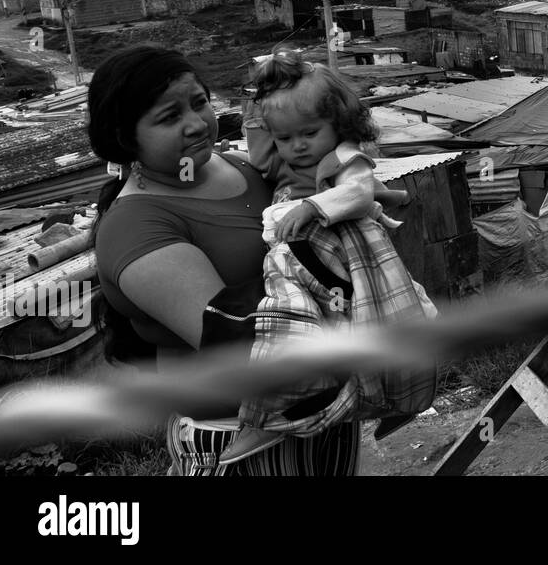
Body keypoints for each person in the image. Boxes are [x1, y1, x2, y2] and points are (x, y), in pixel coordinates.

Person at [89, 45, 360, 475]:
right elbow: (240, 340)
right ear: (126, 138)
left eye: (199, 103)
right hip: (233, 434)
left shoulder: (242, 166)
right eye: (169, 117)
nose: (196, 124)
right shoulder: (135, 228)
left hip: (323, 412)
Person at [220, 52, 437, 464]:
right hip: (303, 252)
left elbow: (357, 192)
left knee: (298, 317)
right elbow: (261, 146)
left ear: (339, 123)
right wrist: (262, 98)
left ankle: (271, 408)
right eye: (285, 137)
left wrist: (313, 207)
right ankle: (372, 398)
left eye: (309, 132)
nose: (297, 147)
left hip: (331, 244)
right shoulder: (284, 159)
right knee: (358, 319)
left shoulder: (344, 157)